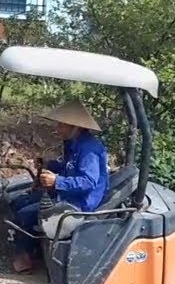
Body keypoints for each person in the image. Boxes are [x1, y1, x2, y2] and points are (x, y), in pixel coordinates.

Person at [10, 99, 109, 273]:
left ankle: (26, 259)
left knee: (24, 215)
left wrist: (57, 181)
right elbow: (68, 167)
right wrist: (50, 165)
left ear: (75, 126)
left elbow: (88, 181)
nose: (57, 129)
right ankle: (32, 249)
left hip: (78, 206)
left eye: (61, 125)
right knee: (18, 202)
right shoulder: (74, 145)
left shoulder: (89, 150)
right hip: (67, 196)